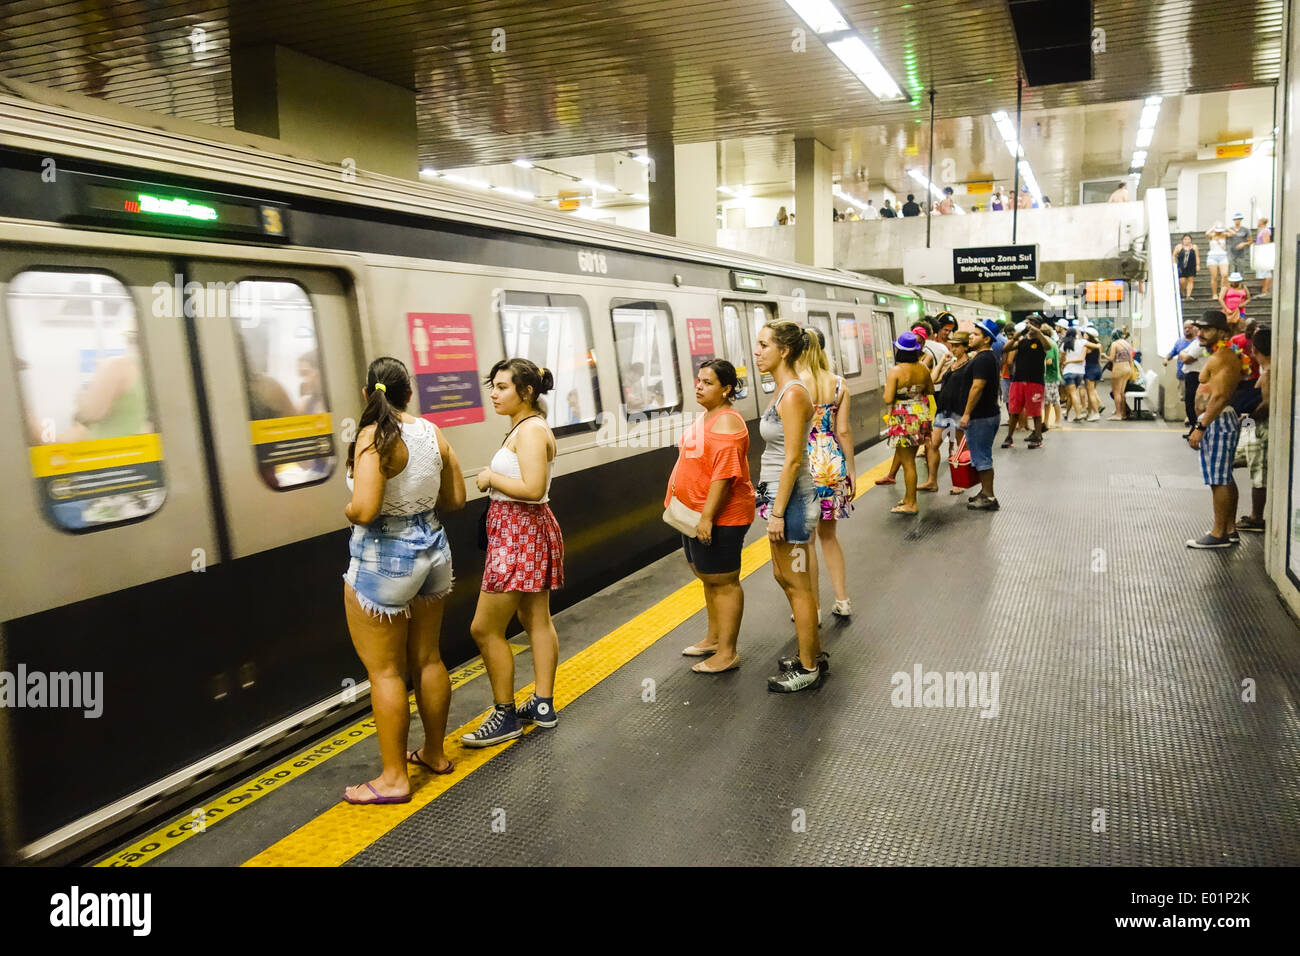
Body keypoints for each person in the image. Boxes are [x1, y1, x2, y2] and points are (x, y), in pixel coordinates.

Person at [340, 357, 465, 804]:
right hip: (433, 551)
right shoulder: (432, 432)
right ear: (409, 393)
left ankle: (394, 778)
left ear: (367, 395)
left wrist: (348, 510)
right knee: (429, 658)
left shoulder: (373, 437)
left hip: (383, 559)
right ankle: (434, 753)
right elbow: (456, 497)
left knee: (386, 671)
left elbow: (366, 508)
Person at [462, 359, 565, 746]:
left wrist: (491, 478)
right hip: (522, 532)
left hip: (519, 534)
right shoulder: (526, 428)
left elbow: (534, 488)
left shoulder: (531, 431)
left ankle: (504, 715)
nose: (493, 393)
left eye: (503, 387)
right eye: (493, 386)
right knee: (536, 619)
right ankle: (541, 703)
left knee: (484, 628)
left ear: (526, 392)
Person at [753, 321, 824, 693]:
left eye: (764, 345)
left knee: (797, 585)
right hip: (778, 497)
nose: (757, 351)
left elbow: (794, 459)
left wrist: (778, 512)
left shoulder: (794, 394)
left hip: (792, 501)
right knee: (785, 578)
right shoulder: (781, 392)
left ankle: (809, 667)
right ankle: (810, 651)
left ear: (784, 351)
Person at [672, 360, 754, 672]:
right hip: (692, 512)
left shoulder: (728, 423)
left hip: (722, 516)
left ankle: (728, 653)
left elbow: (724, 475)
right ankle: (714, 638)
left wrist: (707, 517)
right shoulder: (709, 416)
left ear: (727, 388)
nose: (699, 386)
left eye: (708, 382)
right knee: (707, 577)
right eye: (699, 380)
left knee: (724, 581)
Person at [797, 329, 856, 618]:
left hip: (805, 462)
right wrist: (852, 472)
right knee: (829, 537)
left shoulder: (795, 385)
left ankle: (814, 607)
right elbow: (843, 430)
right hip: (831, 460)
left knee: (805, 541)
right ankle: (843, 600)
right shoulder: (838, 384)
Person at [1186, 311, 1247, 549]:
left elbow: (1220, 396)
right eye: (1200, 328)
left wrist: (1200, 427)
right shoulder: (1224, 355)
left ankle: (1219, 533)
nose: (1200, 333)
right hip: (1219, 420)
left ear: (1222, 332)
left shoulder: (1223, 357)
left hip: (1217, 421)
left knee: (1218, 479)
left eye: (1207, 329)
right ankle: (1228, 529)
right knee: (1224, 477)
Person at [882, 332, 934, 515]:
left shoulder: (896, 371)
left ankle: (911, 503)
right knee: (909, 458)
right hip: (920, 414)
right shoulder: (923, 369)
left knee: (908, 462)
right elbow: (930, 390)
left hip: (903, 417)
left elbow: (888, 397)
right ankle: (908, 496)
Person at [917, 330, 971, 495]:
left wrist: (968, 413)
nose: (953, 349)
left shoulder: (970, 365)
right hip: (943, 410)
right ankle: (932, 481)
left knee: (960, 449)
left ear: (965, 347)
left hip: (959, 410)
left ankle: (960, 482)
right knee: (932, 444)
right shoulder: (951, 365)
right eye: (952, 345)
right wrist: (942, 361)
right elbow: (933, 380)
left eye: (957, 346)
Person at [960, 320, 1003, 511]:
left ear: (987, 339)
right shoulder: (986, 356)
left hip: (981, 416)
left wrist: (967, 413)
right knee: (980, 456)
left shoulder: (983, 358)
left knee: (982, 457)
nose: (971, 336)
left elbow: (977, 387)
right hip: (986, 414)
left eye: (976, 334)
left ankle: (989, 496)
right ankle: (985, 492)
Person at [1238, 325, 1271, 533]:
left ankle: (1256, 517)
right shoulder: (1266, 370)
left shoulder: (1268, 373)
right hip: (1253, 425)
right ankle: (1255, 515)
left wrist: (1248, 417)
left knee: (1258, 470)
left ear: (1254, 350)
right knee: (1248, 461)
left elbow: (1266, 405)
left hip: (1259, 426)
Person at [1002, 318, 1050, 448]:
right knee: (1014, 410)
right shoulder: (1022, 341)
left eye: (1032, 324)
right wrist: (1016, 336)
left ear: (1037, 326)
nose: (1029, 326)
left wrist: (1038, 333)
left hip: (1035, 381)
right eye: (1028, 323)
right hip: (1018, 380)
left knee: (1035, 411)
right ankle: (1009, 437)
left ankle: (1038, 436)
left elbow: (1048, 347)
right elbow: (1005, 348)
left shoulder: (1041, 340)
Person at [1163, 320, 1197, 427]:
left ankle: (1191, 418)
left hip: (1195, 375)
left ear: (1194, 328)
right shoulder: (1179, 342)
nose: (1187, 330)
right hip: (1182, 375)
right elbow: (1172, 352)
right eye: (1185, 328)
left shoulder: (1197, 343)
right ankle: (1190, 416)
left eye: (1189, 327)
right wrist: (1166, 359)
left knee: (1194, 397)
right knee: (1184, 397)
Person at [1059, 323, 1087, 422]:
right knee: (1072, 394)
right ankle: (1066, 413)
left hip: (1069, 371)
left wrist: (1061, 366)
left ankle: (1078, 414)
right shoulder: (1081, 343)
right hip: (1080, 372)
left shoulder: (1064, 344)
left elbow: (1062, 358)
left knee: (1072, 393)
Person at [1106, 328, 1135, 421]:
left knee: (1116, 392)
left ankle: (1118, 414)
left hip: (1119, 368)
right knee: (1122, 392)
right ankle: (1123, 413)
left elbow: (1111, 358)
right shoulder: (1127, 344)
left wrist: (1103, 356)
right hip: (1127, 368)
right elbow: (1131, 359)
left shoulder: (1115, 344)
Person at [1042, 322, 1063, 429]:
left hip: (1050, 377)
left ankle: (1047, 421)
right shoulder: (1053, 342)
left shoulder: (1048, 344)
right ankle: (1055, 421)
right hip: (1054, 376)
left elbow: (1049, 361)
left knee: (1048, 401)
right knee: (1055, 399)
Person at [1081, 326, 1104, 421]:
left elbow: (1082, 358)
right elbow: (1099, 359)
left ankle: (1096, 413)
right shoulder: (1099, 345)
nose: (1083, 335)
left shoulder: (1086, 346)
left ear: (1089, 335)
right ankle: (1089, 413)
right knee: (1092, 391)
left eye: (1085, 333)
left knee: (1090, 393)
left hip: (1089, 369)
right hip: (1098, 369)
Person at [1205, 223, 1230, 300]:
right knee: (1214, 276)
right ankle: (1214, 294)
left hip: (1223, 256)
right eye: (1218, 230)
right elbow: (1207, 233)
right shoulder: (1212, 236)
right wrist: (1213, 227)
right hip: (1212, 256)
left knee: (1225, 275)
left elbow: (1233, 233)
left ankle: (1222, 293)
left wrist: (1225, 227)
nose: (1219, 232)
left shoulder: (1224, 235)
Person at [1174, 234, 1200, 300]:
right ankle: (1183, 293)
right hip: (1181, 266)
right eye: (1185, 239)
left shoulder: (1194, 247)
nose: (1187, 241)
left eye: (1188, 239)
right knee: (1182, 281)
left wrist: (1198, 265)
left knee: (1190, 280)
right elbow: (1174, 255)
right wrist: (1174, 263)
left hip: (1191, 266)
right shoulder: (1179, 247)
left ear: (1191, 240)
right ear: (1182, 240)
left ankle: (1188, 296)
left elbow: (1197, 256)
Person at [1228, 213, 1252, 278]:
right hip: (1231, 253)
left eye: (1238, 219)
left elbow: (1250, 241)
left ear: (1241, 220)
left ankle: (1240, 287)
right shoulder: (1230, 229)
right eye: (1235, 219)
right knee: (1231, 272)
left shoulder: (1245, 230)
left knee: (1241, 272)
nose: (1237, 220)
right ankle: (1232, 287)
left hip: (1241, 254)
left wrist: (1244, 244)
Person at [1255, 217, 1273, 297]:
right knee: (1262, 273)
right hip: (1260, 252)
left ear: (1262, 222)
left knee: (1266, 273)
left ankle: (1266, 290)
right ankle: (1263, 289)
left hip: (1263, 253)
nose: (1257, 222)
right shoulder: (1262, 230)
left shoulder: (1265, 231)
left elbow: (1266, 242)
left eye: (1259, 221)